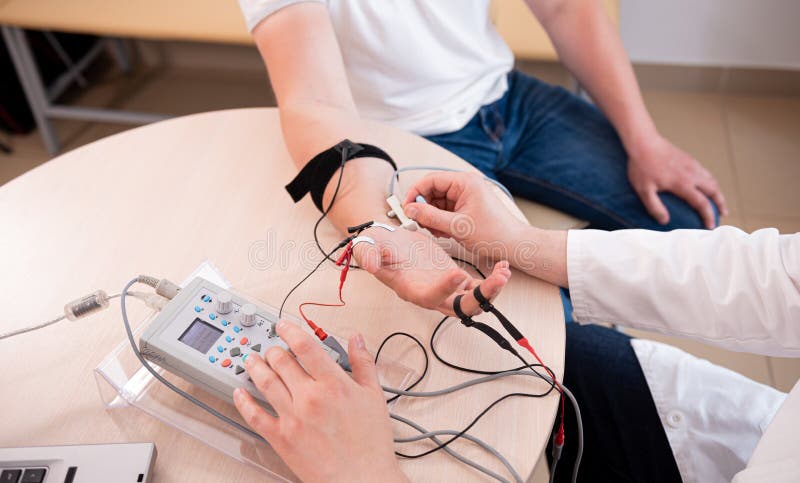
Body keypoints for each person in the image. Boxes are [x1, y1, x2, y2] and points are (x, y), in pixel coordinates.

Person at [233, 172, 798, 482]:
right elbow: (775, 278)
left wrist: (363, 475)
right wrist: (518, 242)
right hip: (753, 434)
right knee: (564, 352)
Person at [235, 0, 729, 316]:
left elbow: (563, 8)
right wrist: (377, 231)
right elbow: (314, 102)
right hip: (407, 138)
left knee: (690, 225)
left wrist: (646, 140)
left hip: (507, 98)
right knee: (537, 325)